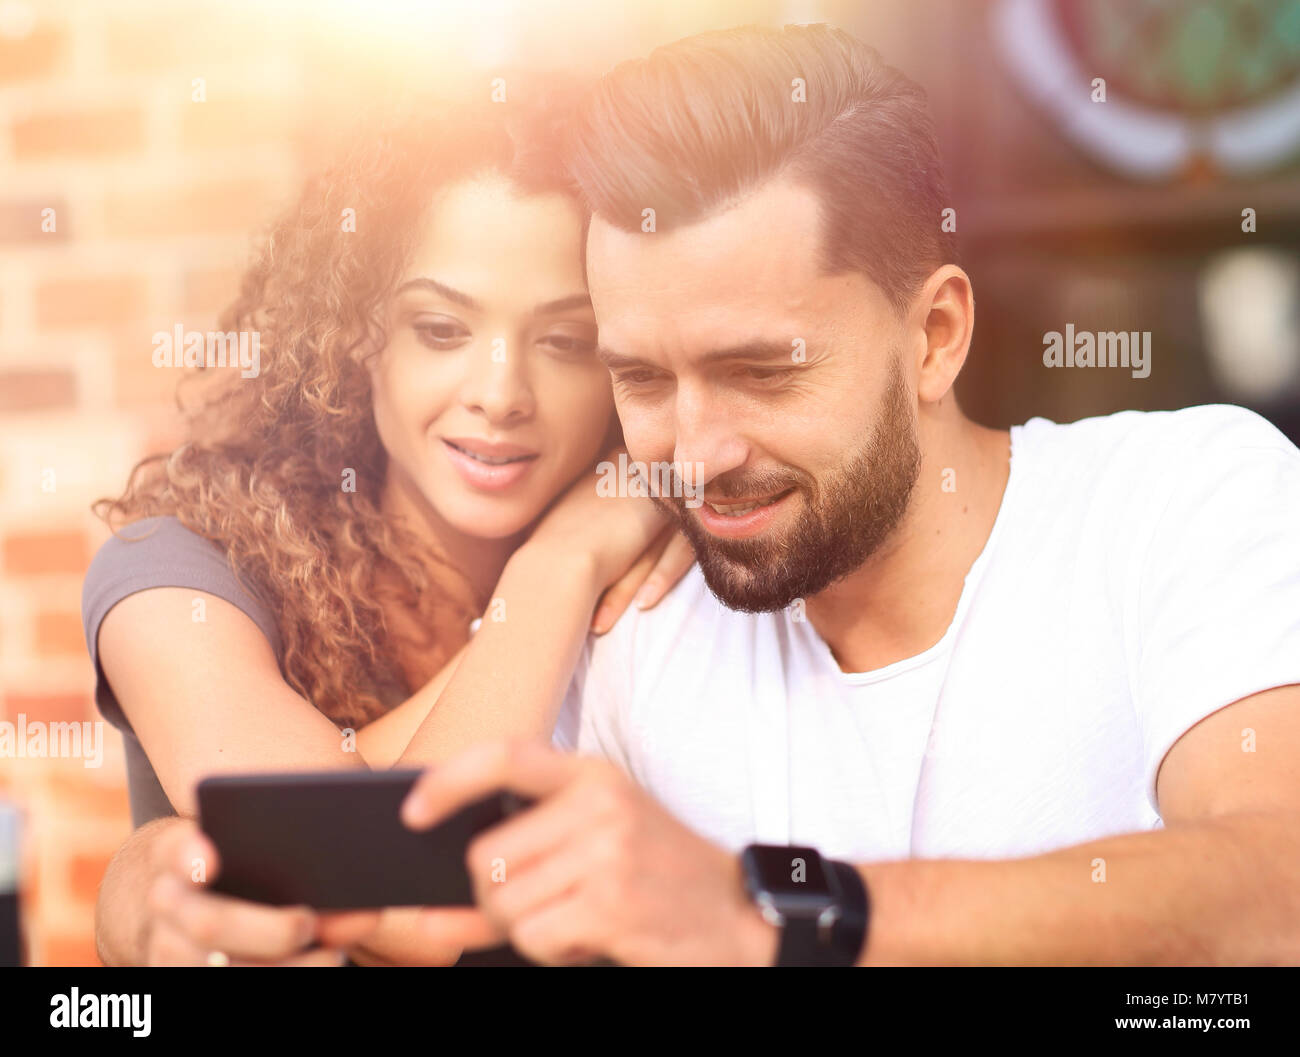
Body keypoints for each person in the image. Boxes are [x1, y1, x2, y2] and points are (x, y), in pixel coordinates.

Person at [400, 24, 1300, 966]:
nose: (697, 456)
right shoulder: (635, 616)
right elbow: (399, 903)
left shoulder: (1183, 500)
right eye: (646, 382)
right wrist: (555, 561)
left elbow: (1279, 892)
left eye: (760, 372)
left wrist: (768, 915)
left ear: (937, 336)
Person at [83, 85, 693, 966]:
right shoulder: (177, 567)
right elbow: (343, 872)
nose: (500, 394)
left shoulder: (666, 568)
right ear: (360, 334)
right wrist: (556, 569)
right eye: (441, 328)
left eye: (564, 341)